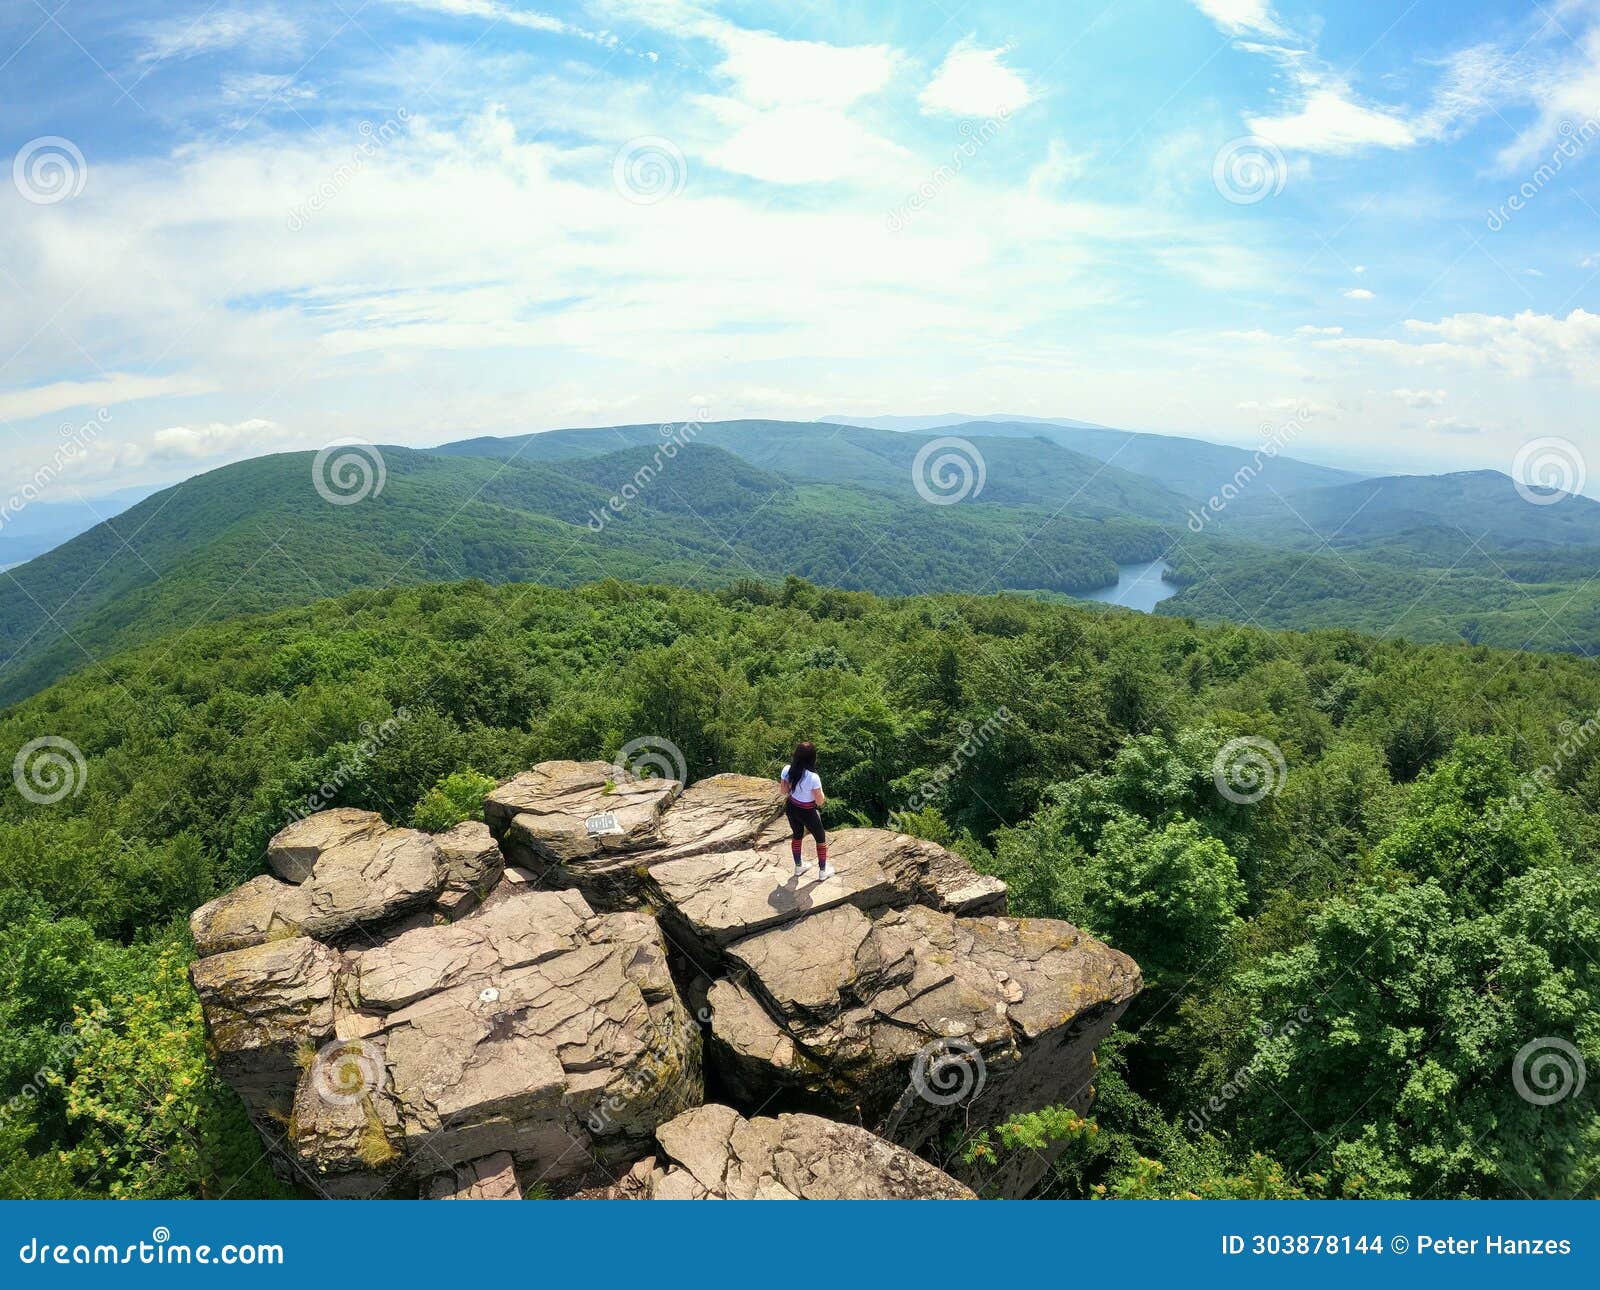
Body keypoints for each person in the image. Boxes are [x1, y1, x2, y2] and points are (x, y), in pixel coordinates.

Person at [780, 740, 829, 880]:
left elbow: (783, 791)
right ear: (812, 758)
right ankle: (822, 872)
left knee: (797, 835)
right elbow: (820, 802)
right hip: (807, 811)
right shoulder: (814, 777)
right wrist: (822, 793)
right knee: (820, 840)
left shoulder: (787, 769)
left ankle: (798, 867)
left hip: (792, 807)